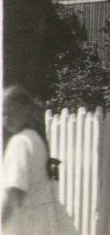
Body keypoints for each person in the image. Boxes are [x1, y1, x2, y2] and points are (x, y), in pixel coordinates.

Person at [2, 86, 78, 235]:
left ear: (26, 110)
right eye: (3, 112)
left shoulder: (20, 142)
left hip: (24, 225)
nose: (7, 117)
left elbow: (14, 193)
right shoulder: (35, 138)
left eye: (11, 110)